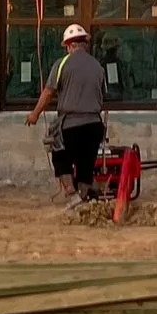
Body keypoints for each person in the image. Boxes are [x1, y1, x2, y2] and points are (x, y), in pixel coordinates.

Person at [26, 23, 109, 206]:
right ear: (85, 45)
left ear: (69, 46)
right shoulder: (97, 66)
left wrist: (35, 114)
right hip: (94, 125)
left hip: (71, 124)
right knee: (86, 163)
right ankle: (83, 196)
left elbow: (48, 92)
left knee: (60, 155)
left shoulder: (62, 63)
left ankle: (71, 192)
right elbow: (103, 96)